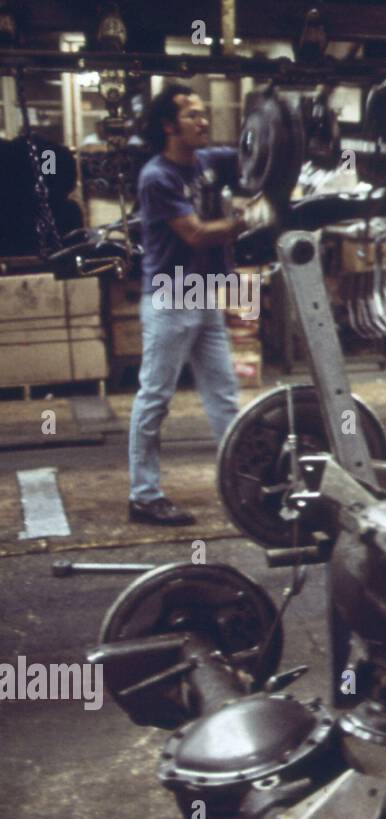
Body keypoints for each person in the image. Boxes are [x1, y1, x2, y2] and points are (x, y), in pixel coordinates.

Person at [128, 85, 250, 525]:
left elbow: (252, 153)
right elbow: (195, 232)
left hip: (203, 295)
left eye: (203, 115)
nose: (203, 121)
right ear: (168, 125)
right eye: (192, 115)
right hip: (170, 296)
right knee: (155, 398)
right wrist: (244, 223)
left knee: (224, 397)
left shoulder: (209, 161)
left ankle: (244, 481)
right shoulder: (157, 176)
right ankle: (144, 496)